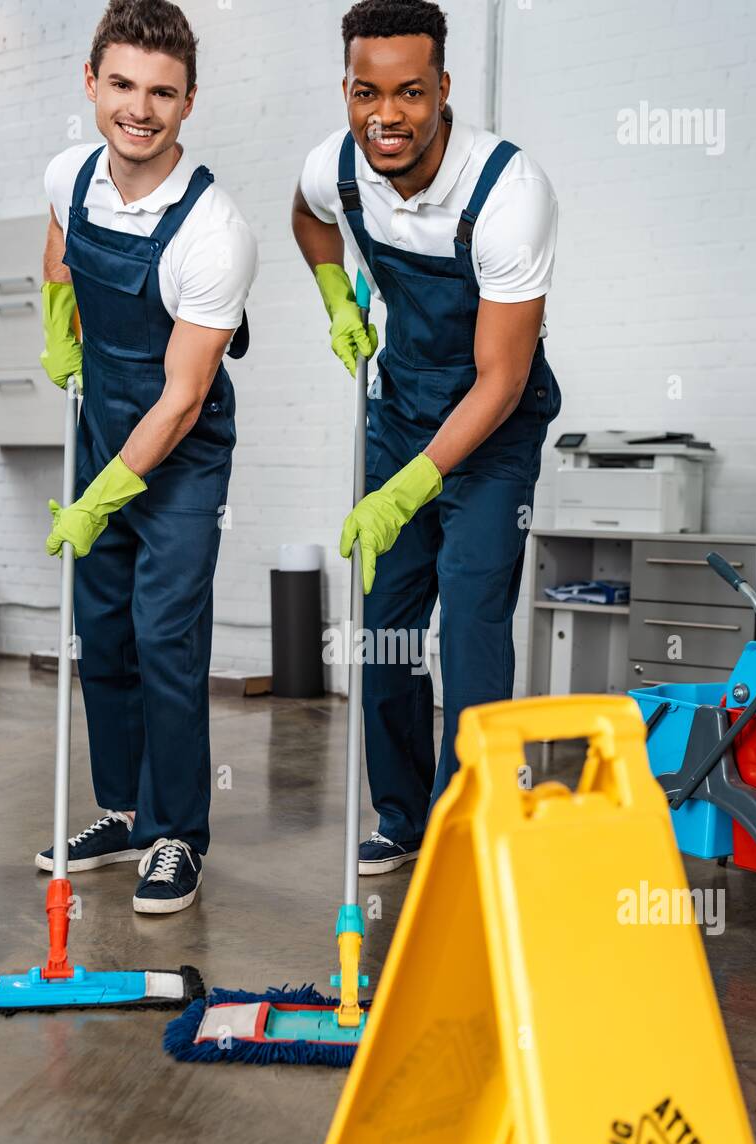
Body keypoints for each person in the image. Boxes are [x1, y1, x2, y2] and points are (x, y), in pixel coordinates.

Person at [292, 0, 561, 874]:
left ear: (443, 87)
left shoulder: (508, 193)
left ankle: (472, 821)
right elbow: (308, 218)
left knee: (469, 626)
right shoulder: (336, 166)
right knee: (385, 628)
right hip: (401, 411)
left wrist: (410, 485)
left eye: (410, 92)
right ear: (345, 88)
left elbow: (501, 378)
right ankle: (404, 816)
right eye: (367, 92)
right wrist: (337, 295)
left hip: (493, 433)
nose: (387, 116)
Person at [37, 0, 257, 913]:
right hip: (101, 428)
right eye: (122, 84)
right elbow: (57, 254)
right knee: (104, 630)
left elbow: (182, 397)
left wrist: (99, 501)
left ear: (189, 101)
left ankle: (178, 835)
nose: (140, 108)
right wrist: (59, 328)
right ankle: (125, 812)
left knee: (165, 634)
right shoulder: (68, 174)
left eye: (161, 92)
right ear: (92, 83)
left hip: (181, 454)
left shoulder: (216, 230)